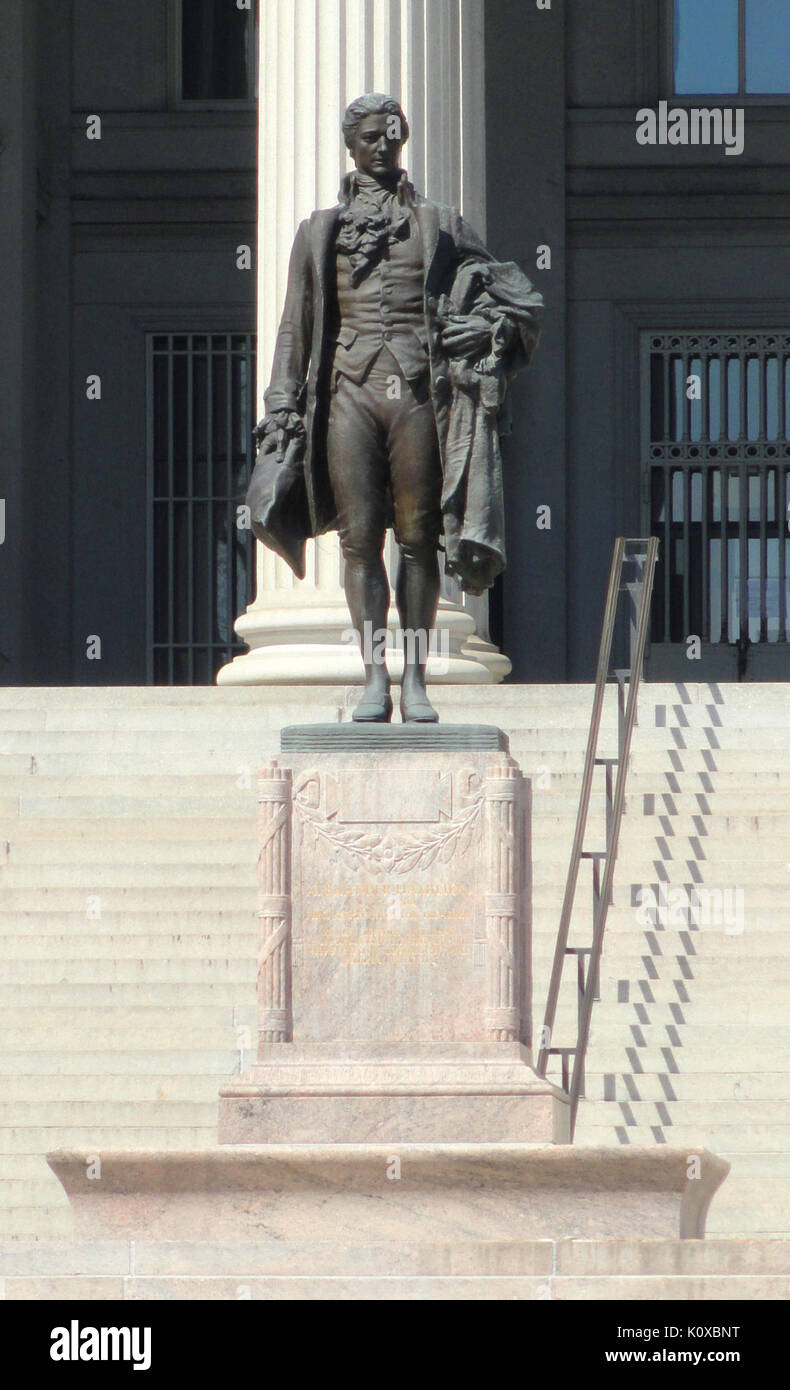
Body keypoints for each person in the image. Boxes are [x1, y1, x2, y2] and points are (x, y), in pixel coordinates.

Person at [248, 94, 542, 722]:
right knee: (358, 540)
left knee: (416, 538)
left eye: (394, 135)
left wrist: (485, 329)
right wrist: (280, 406)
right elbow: (294, 329)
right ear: (350, 145)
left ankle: (415, 677)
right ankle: (372, 676)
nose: (384, 145)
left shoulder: (441, 222)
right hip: (347, 393)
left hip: (416, 392)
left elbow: (514, 295)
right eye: (372, 136)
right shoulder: (318, 231)